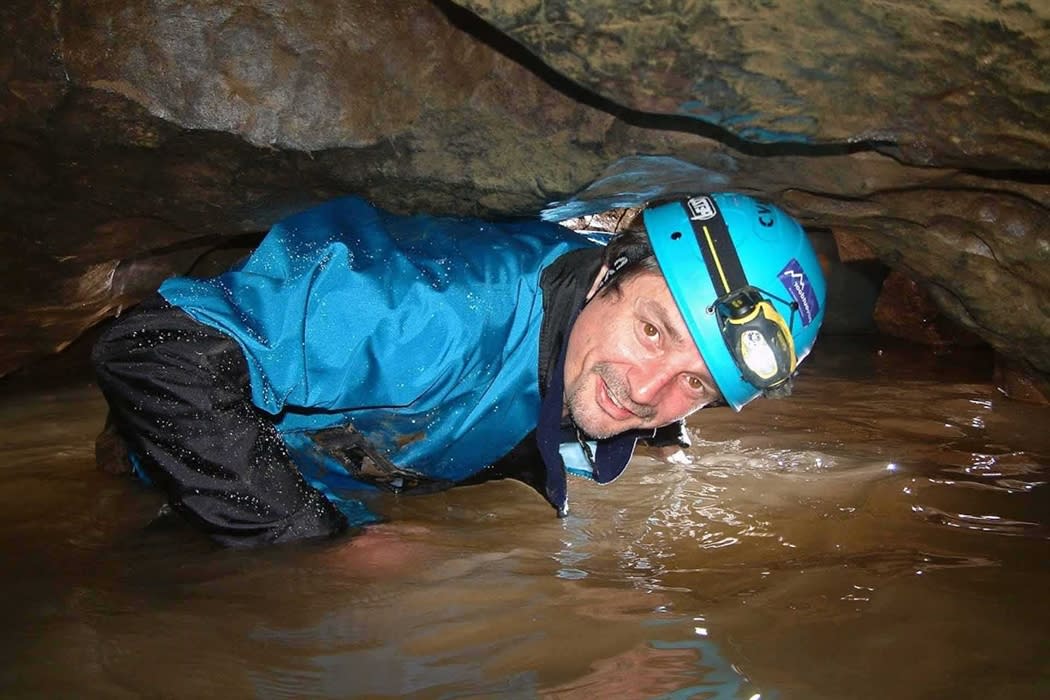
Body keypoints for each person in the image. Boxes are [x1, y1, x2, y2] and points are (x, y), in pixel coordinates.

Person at [92, 192, 827, 548]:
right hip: (177, 470)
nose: (645, 391)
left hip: (359, 472)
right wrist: (320, 542)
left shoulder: (616, 364)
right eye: (652, 330)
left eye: (697, 384)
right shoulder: (431, 310)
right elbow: (153, 354)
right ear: (607, 271)